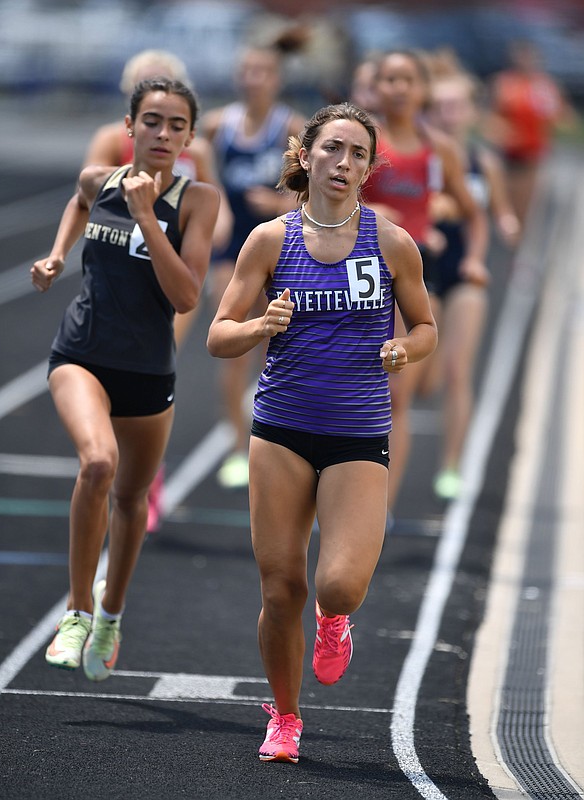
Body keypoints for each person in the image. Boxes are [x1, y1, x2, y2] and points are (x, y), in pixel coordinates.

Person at [207, 102, 437, 762]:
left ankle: (334, 621)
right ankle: (285, 716)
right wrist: (260, 327)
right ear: (307, 156)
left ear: (370, 168)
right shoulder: (269, 240)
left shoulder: (391, 242)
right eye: (333, 148)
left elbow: (425, 327)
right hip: (281, 429)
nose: (344, 162)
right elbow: (221, 336)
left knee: (338, 584)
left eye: (358, 153)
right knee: (280, 587)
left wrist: (406, 351)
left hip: (357, 432)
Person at [32, 78, 219, 680]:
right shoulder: (98, 179)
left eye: (176, 125)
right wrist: (59, 253)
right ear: (130, 127)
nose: (163, 134)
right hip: (82, 353)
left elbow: (187, 295)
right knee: (98, 464)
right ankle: (77, 613)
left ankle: (110, 616)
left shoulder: (198, 200)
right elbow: (79, 202)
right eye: (153, 121)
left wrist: (147, 217)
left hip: (147, 369)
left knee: (133, 499)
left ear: (190, 136)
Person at [84, 49, 233, 531]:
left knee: (156, 362)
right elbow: (85, 198)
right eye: (147, 84)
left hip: (171, 272)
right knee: (106, 372)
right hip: (119, 275)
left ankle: (149, 476)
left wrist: (214, 229)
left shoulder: (199, 149)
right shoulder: (111, 139)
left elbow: (220, 210)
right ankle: (107, 460)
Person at [362, 48, 488, 522]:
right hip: (353, 276)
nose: (397, 89)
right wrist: (369, 213)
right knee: (354, 389)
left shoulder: (441, 149)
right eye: (388, 79)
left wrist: (475, 258)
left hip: (413, 277)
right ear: (375, 86)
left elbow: (474, 216)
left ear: (422, 90)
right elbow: (320, 195)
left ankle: (380, 514)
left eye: (406, 80)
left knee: (398, 397)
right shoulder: (362, 139)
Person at [202, 34, 306, 489]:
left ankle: (278, 442)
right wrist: (215, 206)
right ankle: (233, 445)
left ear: (276, 79)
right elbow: (197, 171)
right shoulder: (217, 126)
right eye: (245, 71)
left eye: (261, 72)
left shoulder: (293, 127)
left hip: (280, 247)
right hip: (230, 247)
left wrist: (281, 201)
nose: (252, 80)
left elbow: (313, 188)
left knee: (278, 349)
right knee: (232, 344)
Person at [427, 63, 521, 500]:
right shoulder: (425, 159)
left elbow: (498, 209)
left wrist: (506, 223)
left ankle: (450, 466)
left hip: (468, 272)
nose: (447, 113)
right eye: (440, 106)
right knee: (421, 380)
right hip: (423, 270)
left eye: (455, 106)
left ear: (469, 112)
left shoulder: (484, 163)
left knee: (457, 371)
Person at [484, 39, 576, 226]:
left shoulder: (544, 86)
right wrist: (500, 131)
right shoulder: (504, 84)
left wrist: (555, 119)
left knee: (525, 208)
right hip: (507, 155)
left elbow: (563, 118)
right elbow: (489, 117)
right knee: (503, 205)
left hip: (532, 156)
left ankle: (519, 247)